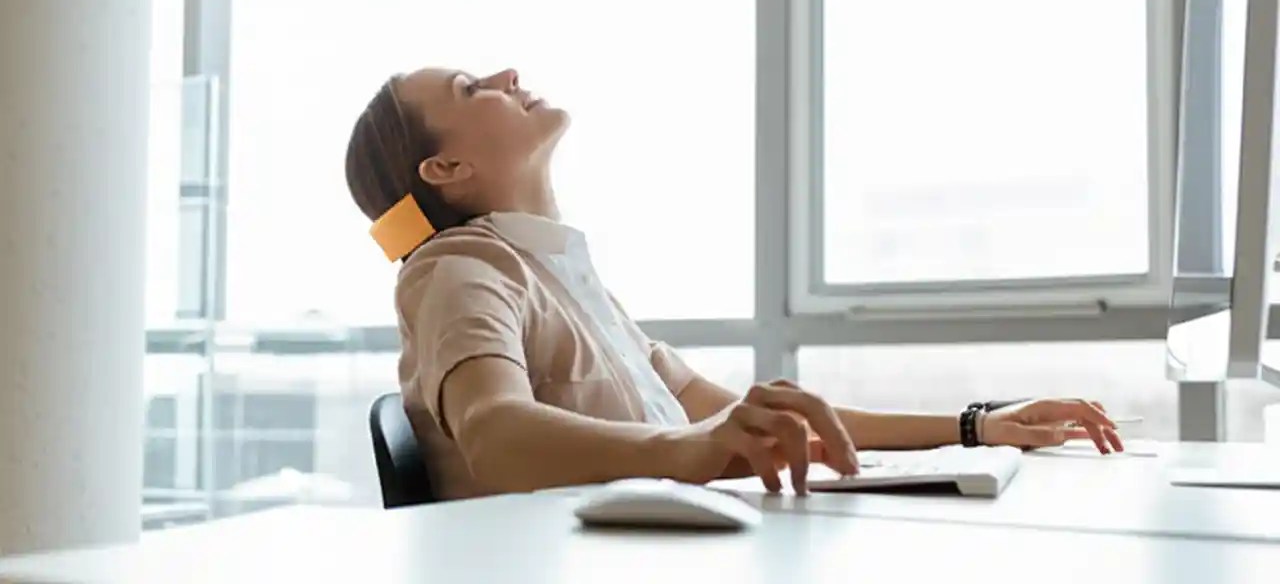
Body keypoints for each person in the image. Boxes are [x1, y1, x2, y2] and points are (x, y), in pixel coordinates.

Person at [344, 66, 1124, 501]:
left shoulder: (567, 282)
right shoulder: (456, 270)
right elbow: (497, 436)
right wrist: (690, 452)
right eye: (473, 86)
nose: (507, 73)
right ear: (445, 169)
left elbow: (742, 417)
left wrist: (973, 427)